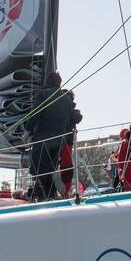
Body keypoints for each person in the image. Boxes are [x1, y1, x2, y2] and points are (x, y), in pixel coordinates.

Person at [25, 74, 80, 202]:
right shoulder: (66, 99)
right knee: (51, 167)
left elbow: (35, 114)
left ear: (47, 81)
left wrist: (27, 131)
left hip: (43, 138)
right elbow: (76, 117)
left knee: (38, 169)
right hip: (59, 141)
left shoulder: (43, 94)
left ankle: (43, 197)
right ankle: (51, 194)